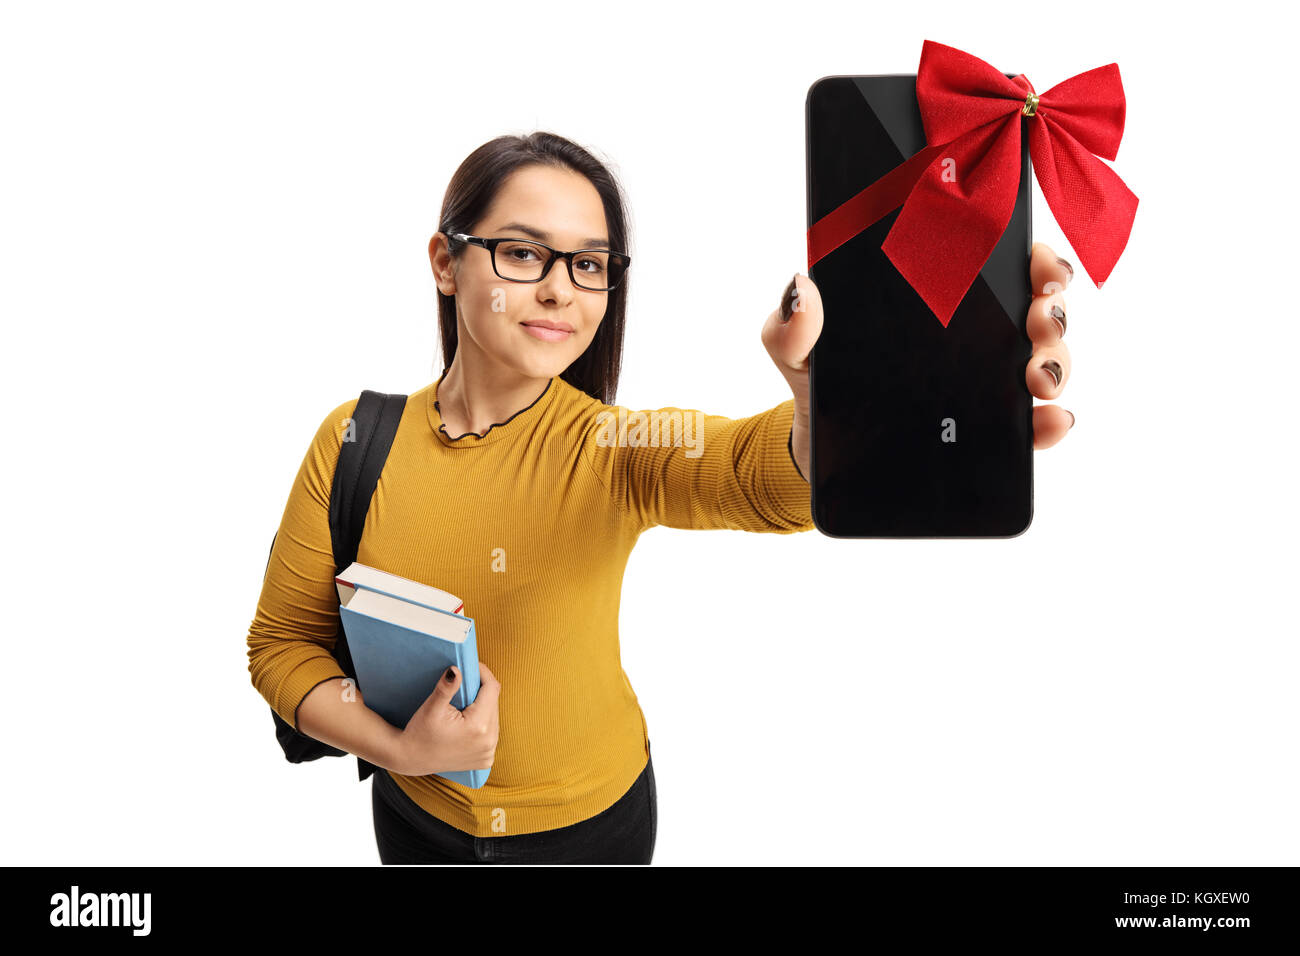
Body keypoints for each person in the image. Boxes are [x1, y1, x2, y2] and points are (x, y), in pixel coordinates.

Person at [246, 131, 1076, 865]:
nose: (561, 290)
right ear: (445, 262)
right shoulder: (353, 438)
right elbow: (282, 649)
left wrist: (837, 400)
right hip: (414, 825)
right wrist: (402, 749)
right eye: (524, 254)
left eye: (589, 264)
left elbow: (755, 473)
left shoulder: (612, 448)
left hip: (594, 831)